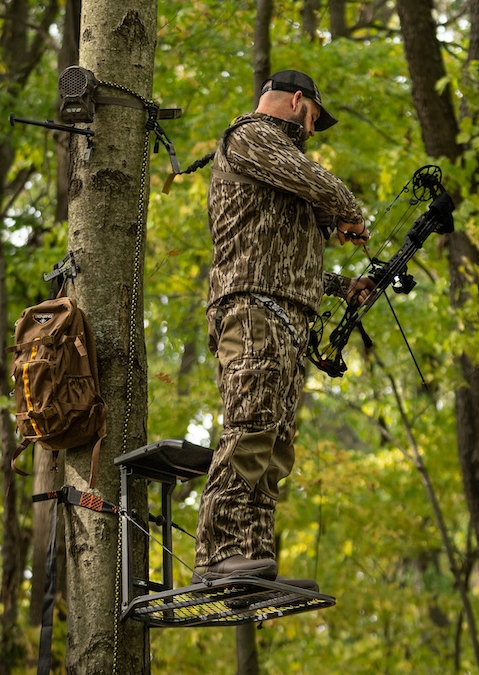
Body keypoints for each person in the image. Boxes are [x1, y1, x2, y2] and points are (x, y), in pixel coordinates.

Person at [193, 70, 372, 583]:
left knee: (275, 444)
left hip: (287, 315)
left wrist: (342, 286)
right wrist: (348, 210)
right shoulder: (250, 136)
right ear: (297, 101)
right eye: (313, 118)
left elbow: (281, 255)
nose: (312, 130)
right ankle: (218, 552)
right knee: (251, 425)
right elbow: (321, 183)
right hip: (250, 309)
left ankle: (251, 558)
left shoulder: (278, 171)